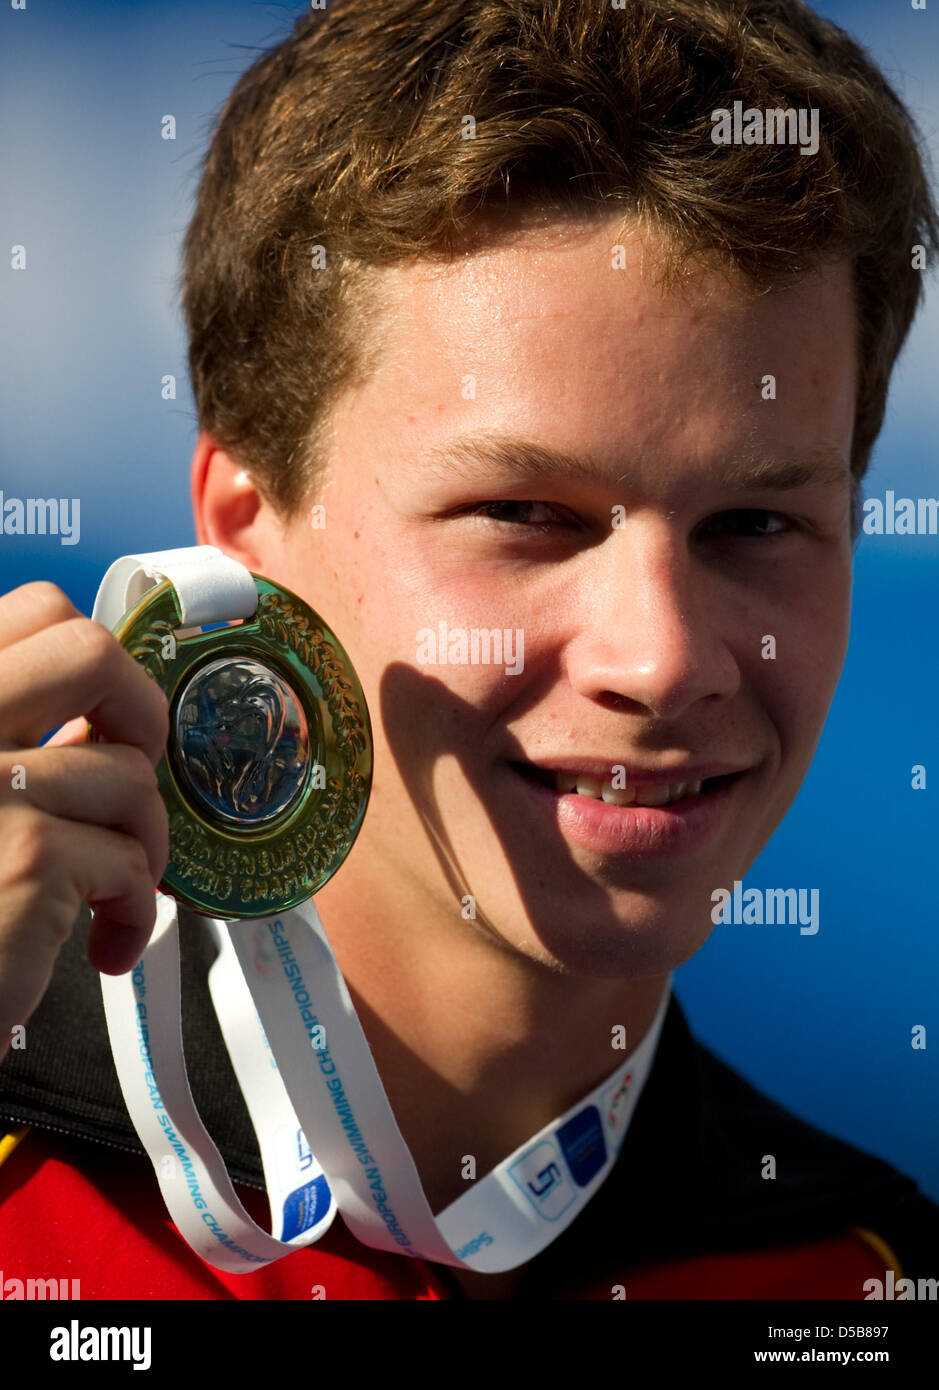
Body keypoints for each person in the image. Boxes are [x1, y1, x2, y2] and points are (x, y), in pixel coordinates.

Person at [0, 0, 937, 1302]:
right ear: (239, 536)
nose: (663, 660)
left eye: (758, 521)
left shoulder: (860, 1280)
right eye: (524, 514)